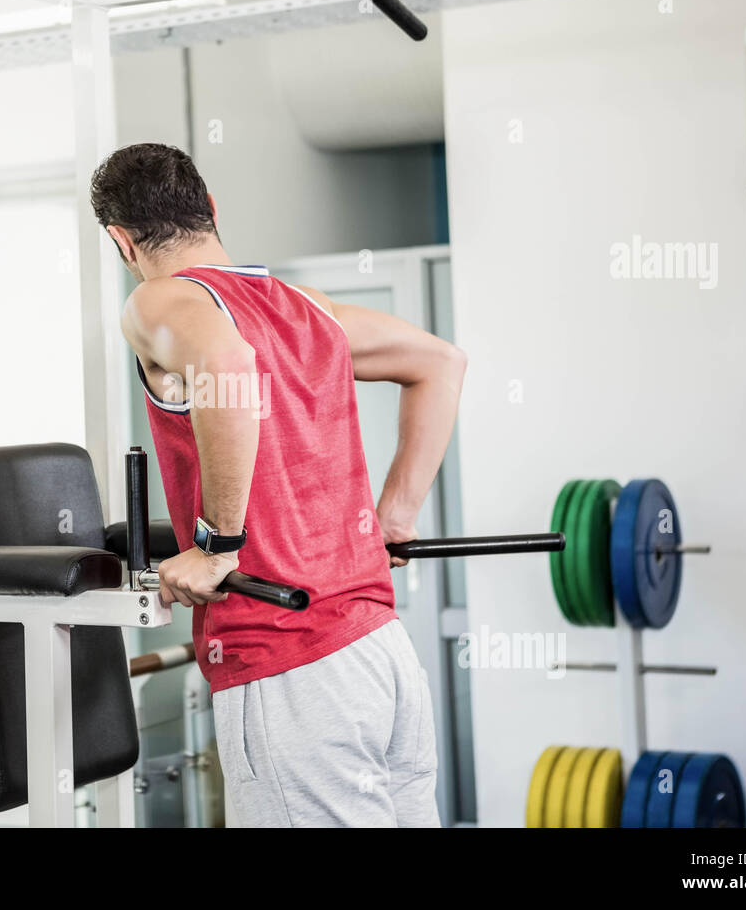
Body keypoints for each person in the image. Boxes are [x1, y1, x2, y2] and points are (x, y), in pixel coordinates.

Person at [90, 143, 467, 827]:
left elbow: (228, 364)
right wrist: (395, 519)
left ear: (121, 240)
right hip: (380, 652)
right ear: (209, 209)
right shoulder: (303, 305)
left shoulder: (156, 301)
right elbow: (441, 363)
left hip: (289, 663)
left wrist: (217, 545)